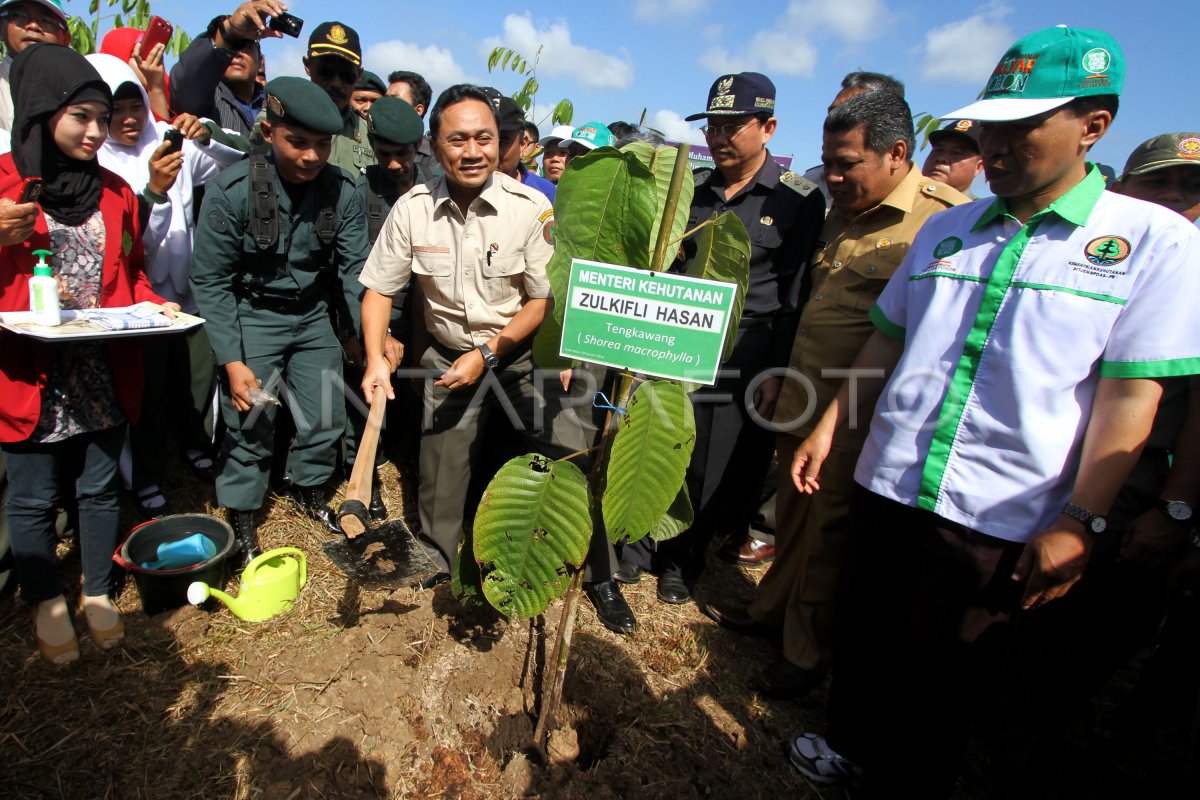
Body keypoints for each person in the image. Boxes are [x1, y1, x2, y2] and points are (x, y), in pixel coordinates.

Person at [785, 27, 1200, 798]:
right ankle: (847, 746)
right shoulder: (947, 229)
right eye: (991, 125)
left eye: (1023, 126)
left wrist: (1081, 519)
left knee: (947, 670)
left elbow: (1131, 394)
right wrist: (830, 425)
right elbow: (887, 340)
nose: (995, 144)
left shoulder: (1152, 243)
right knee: (869, 630)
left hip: (999, 509)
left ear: (1094, 126)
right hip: (891, 477)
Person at [700, 90, 967, 698]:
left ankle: (804, 654)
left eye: (848, 164)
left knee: (829, 536)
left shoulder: (943, 222)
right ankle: (771, 612)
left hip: (859, 413)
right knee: (794, 523)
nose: (835, 176)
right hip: (803, 396)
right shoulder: (838, 212)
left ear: (897, 153)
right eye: (829, 163)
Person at [358, 84, 635, 633]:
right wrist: (374, 358)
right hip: (447, 357)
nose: (472, 151)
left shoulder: (530, 208)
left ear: (502, 143)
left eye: (484, 138)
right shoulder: (413, 209)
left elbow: (541, 301)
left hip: (521, 354)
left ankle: (601, 574)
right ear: (434, 146)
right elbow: (378, 290)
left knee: (572, 452)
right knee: (440, 468)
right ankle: (437, 557)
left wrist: (487, 354)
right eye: (457, 139)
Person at [996, 132, 1200, 789]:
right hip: (1045, 476)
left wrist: (1176, 508)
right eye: (1159, 181)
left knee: (1080, 638)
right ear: (1123, 186)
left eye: (1192, 186)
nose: (1176, 197)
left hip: (1135, 492)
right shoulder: (1087, 256)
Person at [618, 72, 826, 606]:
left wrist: (777, 370)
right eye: (712, 126)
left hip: (743, 345)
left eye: (733, 126)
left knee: (709, 459)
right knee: (653, 433)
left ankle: (681, 560)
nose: (719, 137)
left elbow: (793, 294)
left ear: (768, 128)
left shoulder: (797, 200)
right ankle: (636, 545)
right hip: (674, 335)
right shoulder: (693, 187)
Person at [0, 42, 178, 664]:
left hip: (101, 366)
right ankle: (47, 598)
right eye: (81, 117)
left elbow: (130, 271)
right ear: (41, 111)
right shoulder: (5, 184)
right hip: (29, 370)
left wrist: (153, 303)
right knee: (31, 494)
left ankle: (97, 590)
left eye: (103, 118)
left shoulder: (115, 192)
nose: (97, 132)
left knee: (99, 487)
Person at [189, 76, 371, 566]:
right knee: (250, 420)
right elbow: (211, 282)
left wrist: (369, 340)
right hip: (253, 315)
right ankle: (243, 512)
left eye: (322, 144)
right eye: (298, 142)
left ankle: (307, 487)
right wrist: (232, 361)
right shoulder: (232, 191)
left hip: (313, 315)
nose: (311, 156)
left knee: (327, 413)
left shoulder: (342, 191)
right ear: (269, 132)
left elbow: (355, 273)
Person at [87, 53, 244, 515]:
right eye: (115, 111)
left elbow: (236, 162)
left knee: (195, 380)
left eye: (134, 106)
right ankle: (147, 471)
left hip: (187, 291)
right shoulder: (98, 163)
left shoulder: (166, 138)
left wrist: (206, 135)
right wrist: (154, 190)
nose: (128, 119)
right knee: (147, 392)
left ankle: (196, 445)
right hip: (137, 300)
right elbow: (123, 243)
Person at [168, 1, 280, 137]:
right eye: (232, 48)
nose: (237, 54)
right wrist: (229, 30)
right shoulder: (206, 98)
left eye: (247, 47)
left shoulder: (276, 106)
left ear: (260, 61)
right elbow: (187, 78)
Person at [0, 0, 70, 132]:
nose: (33, 26)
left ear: (65, 38)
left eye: (46, 20)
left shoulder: (75, 90)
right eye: (20, 16)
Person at [495, 95, 555, 202]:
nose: (492, 151)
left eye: (502, 142)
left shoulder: (545, 192)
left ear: (522, 144)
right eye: (483, 139)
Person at [387, 69, 440, 180]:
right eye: (385, 99)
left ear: (418, 110)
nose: (386, 105)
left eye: (395, 100)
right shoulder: (375, 144)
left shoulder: (434, 157)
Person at [922, 118, 983, 196]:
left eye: (956, 153)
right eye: (938, 150)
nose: (942, 158)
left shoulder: (983, 205)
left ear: (978, 167)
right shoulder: (907, 197)